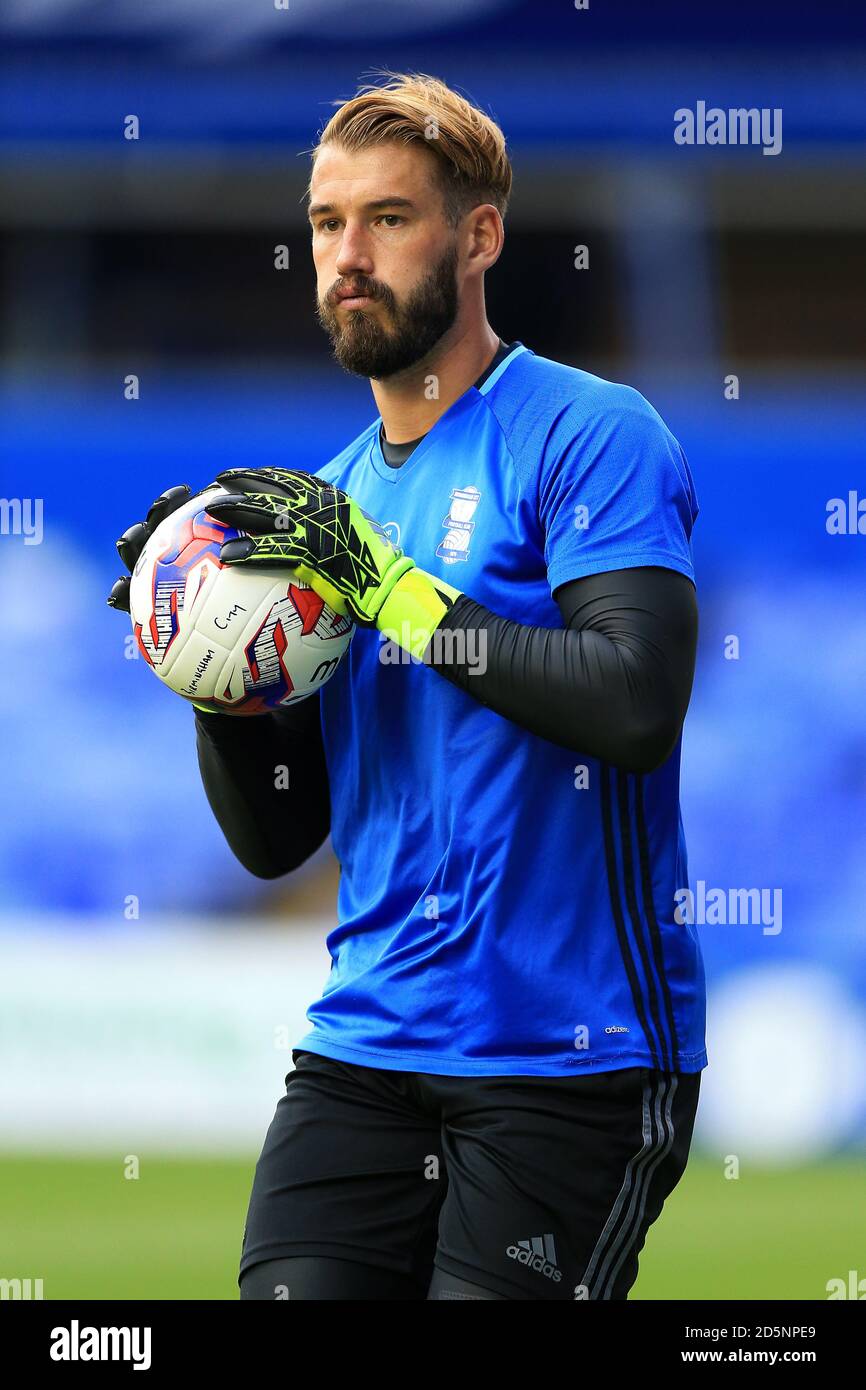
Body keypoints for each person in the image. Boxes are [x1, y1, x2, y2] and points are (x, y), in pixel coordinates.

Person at [109, 72, 706, 1301]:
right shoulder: (325, 502)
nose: (345, 255)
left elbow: (634, 705)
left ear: (477, 235)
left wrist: (386, 588)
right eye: (326, 224)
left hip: (565, 1060)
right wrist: (218, 665)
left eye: (387, 218)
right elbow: (279, 838)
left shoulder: (586, 432)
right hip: (364, 1048)